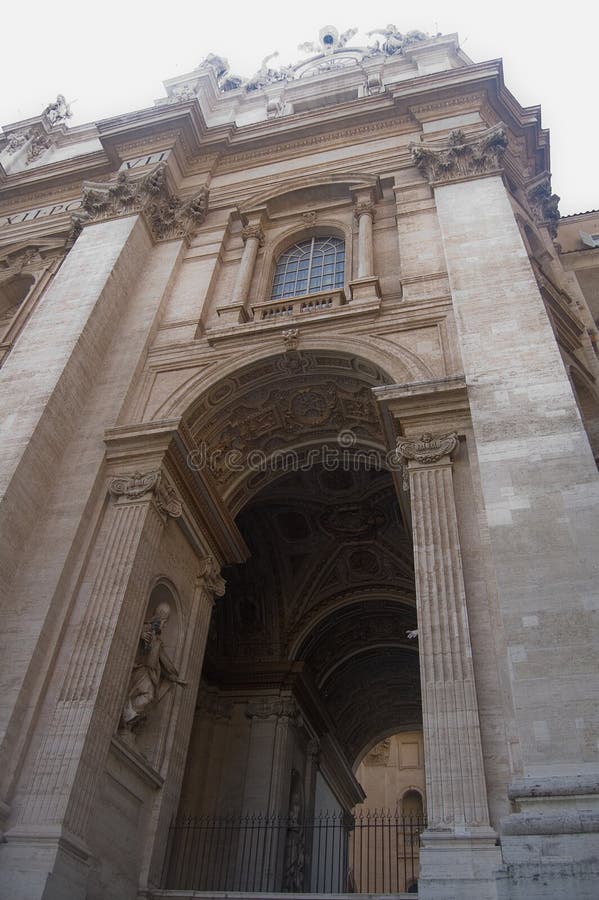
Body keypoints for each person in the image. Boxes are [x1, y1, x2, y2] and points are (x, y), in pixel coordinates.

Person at [121, 601, 186, 730]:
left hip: (149, 672)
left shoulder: (158, 641)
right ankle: (126, 714)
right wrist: (140, 635)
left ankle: (127, 715)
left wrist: (175, 678)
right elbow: (130, 631)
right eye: (164, 621)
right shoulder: (145, 628)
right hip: (140, 668)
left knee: (149, 696)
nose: (165, 625)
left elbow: (164, 661)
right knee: (148, 695)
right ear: (159, 618)